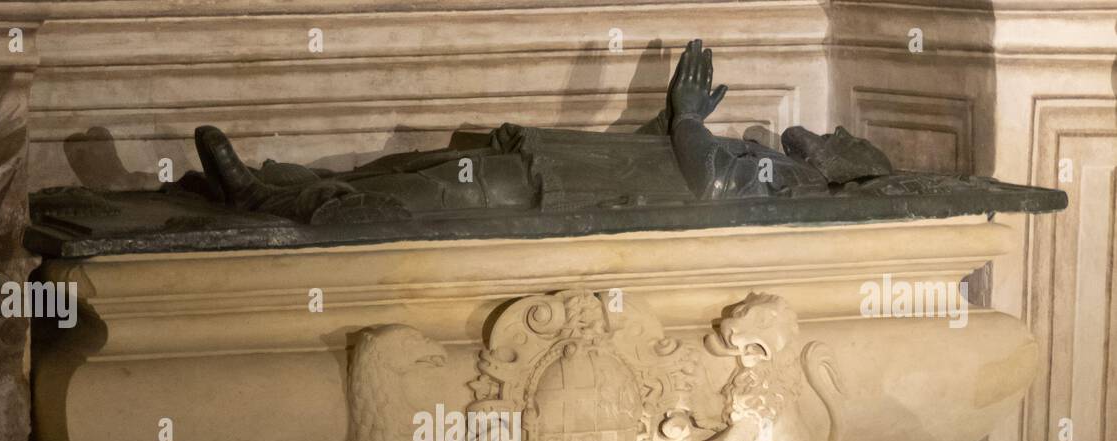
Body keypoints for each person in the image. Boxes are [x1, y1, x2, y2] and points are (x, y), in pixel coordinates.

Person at [190, 39, 891, 224]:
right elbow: (664, 158)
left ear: (843, 169)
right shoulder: (780, 168)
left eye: (837, 142)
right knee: (415, 169)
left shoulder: (795, 184)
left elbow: (705, 184)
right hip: (574, 164)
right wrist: (675, 117)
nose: (821, 135)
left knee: (431, 195)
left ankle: (266, 203)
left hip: (560, 189)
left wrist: (684, 117)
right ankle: (292, 183)